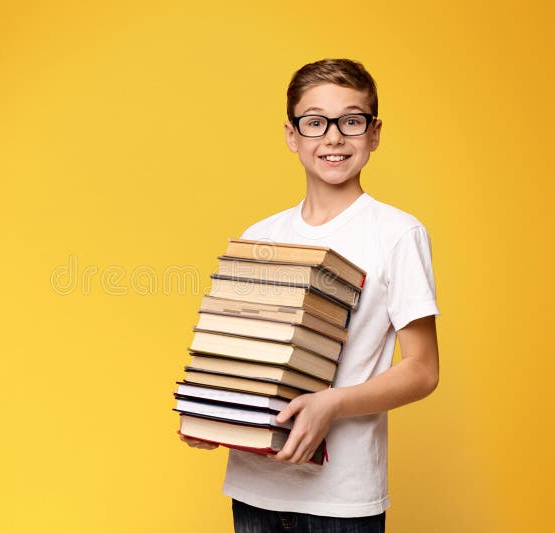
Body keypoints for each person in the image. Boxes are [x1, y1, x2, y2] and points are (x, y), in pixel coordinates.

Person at [180, 58, 440, 532]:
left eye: (352, 121)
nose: (334, 137)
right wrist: (210, 411)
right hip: (255, 484)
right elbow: (240, 347)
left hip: (342, 496)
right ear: (292, 135)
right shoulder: (261, 235)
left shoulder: (397, 233)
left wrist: (331, 404)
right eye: (315, 122)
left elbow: (423, 369)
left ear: (374, 133)